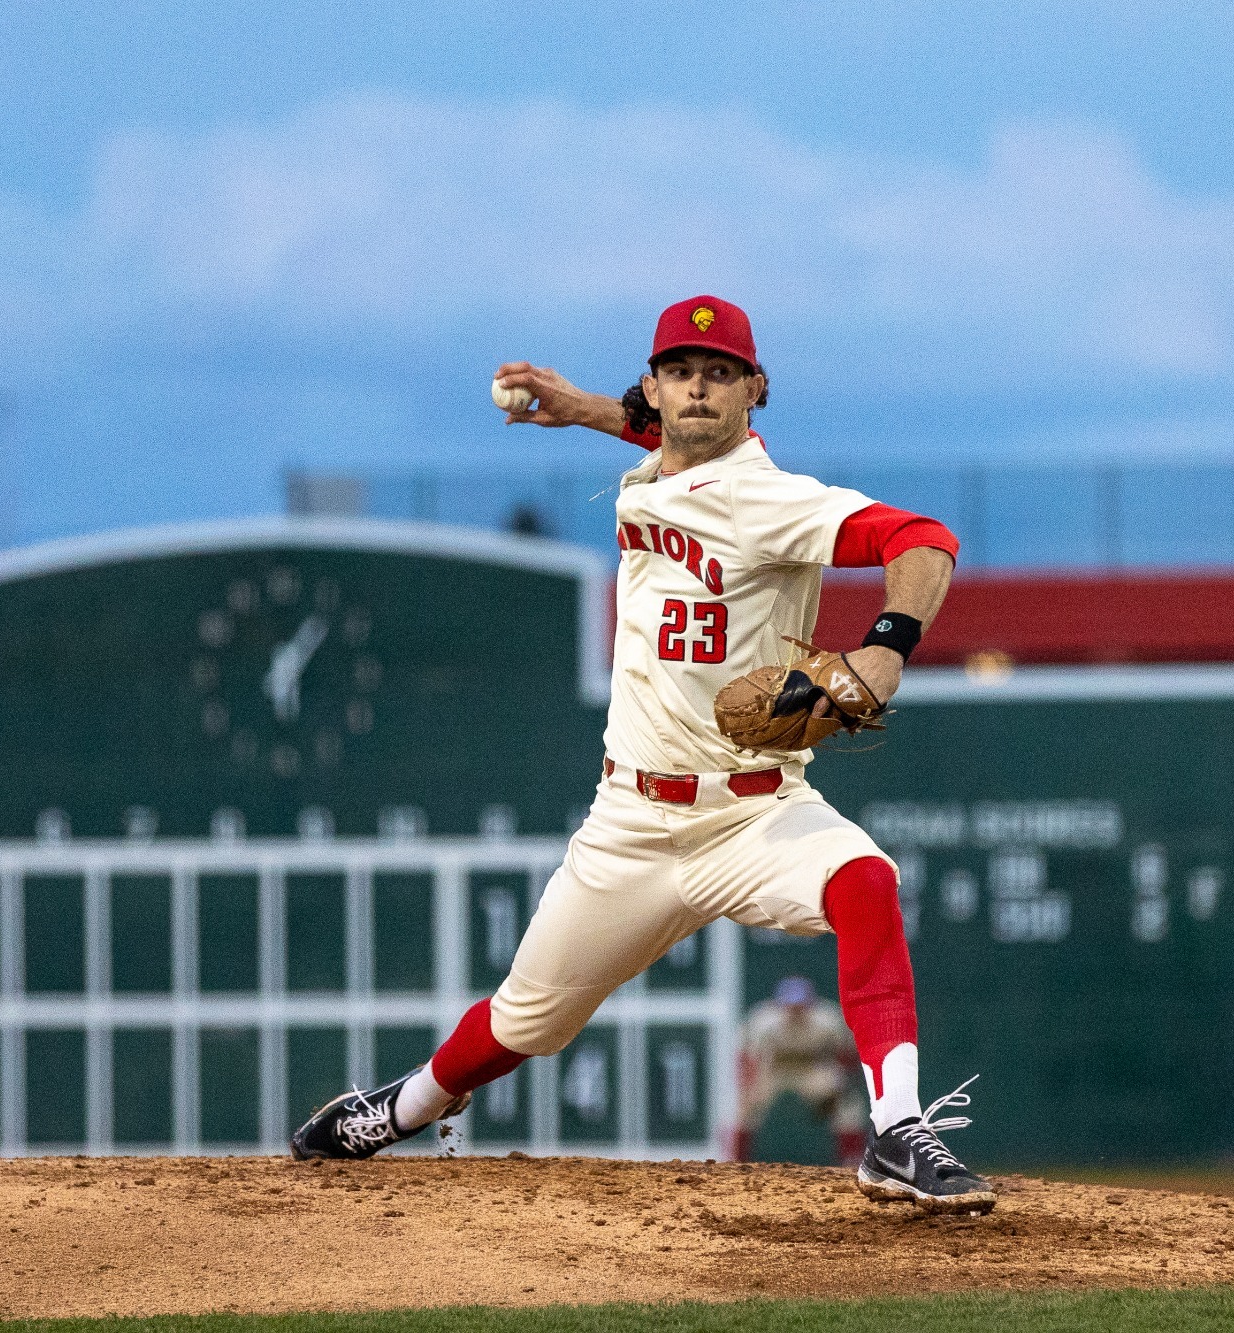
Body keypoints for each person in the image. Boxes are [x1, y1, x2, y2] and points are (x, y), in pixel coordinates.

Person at [293, 294, 992, 1212]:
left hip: (754, 810)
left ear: (757, 392)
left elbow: (922, 538)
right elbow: (673, 453)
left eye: (721, 373)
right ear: (655, 389)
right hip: (631, 820)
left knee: (864, 881)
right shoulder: (657, 469)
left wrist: (884, 647)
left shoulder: (770, 499)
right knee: (522, 1022)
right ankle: (403, 1104)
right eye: (681, 371)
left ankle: (897, 1129)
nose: (699, 387)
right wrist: (584, 408)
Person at [735, 975, 867, 1167]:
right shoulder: (764, 1020)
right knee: (743, 1108)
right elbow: (747, 1056)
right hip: (774, 1068)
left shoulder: (827, 1019)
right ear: (779, 1005)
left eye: (800, 1005)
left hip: (811, 1067)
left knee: (848, 1107)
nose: (795, 1010)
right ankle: (737, 1162)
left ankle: (852, 1161)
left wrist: (840, 1085)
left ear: (811, 1003)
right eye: (790, 1005)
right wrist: (747, 1088)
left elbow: (846, 1054)